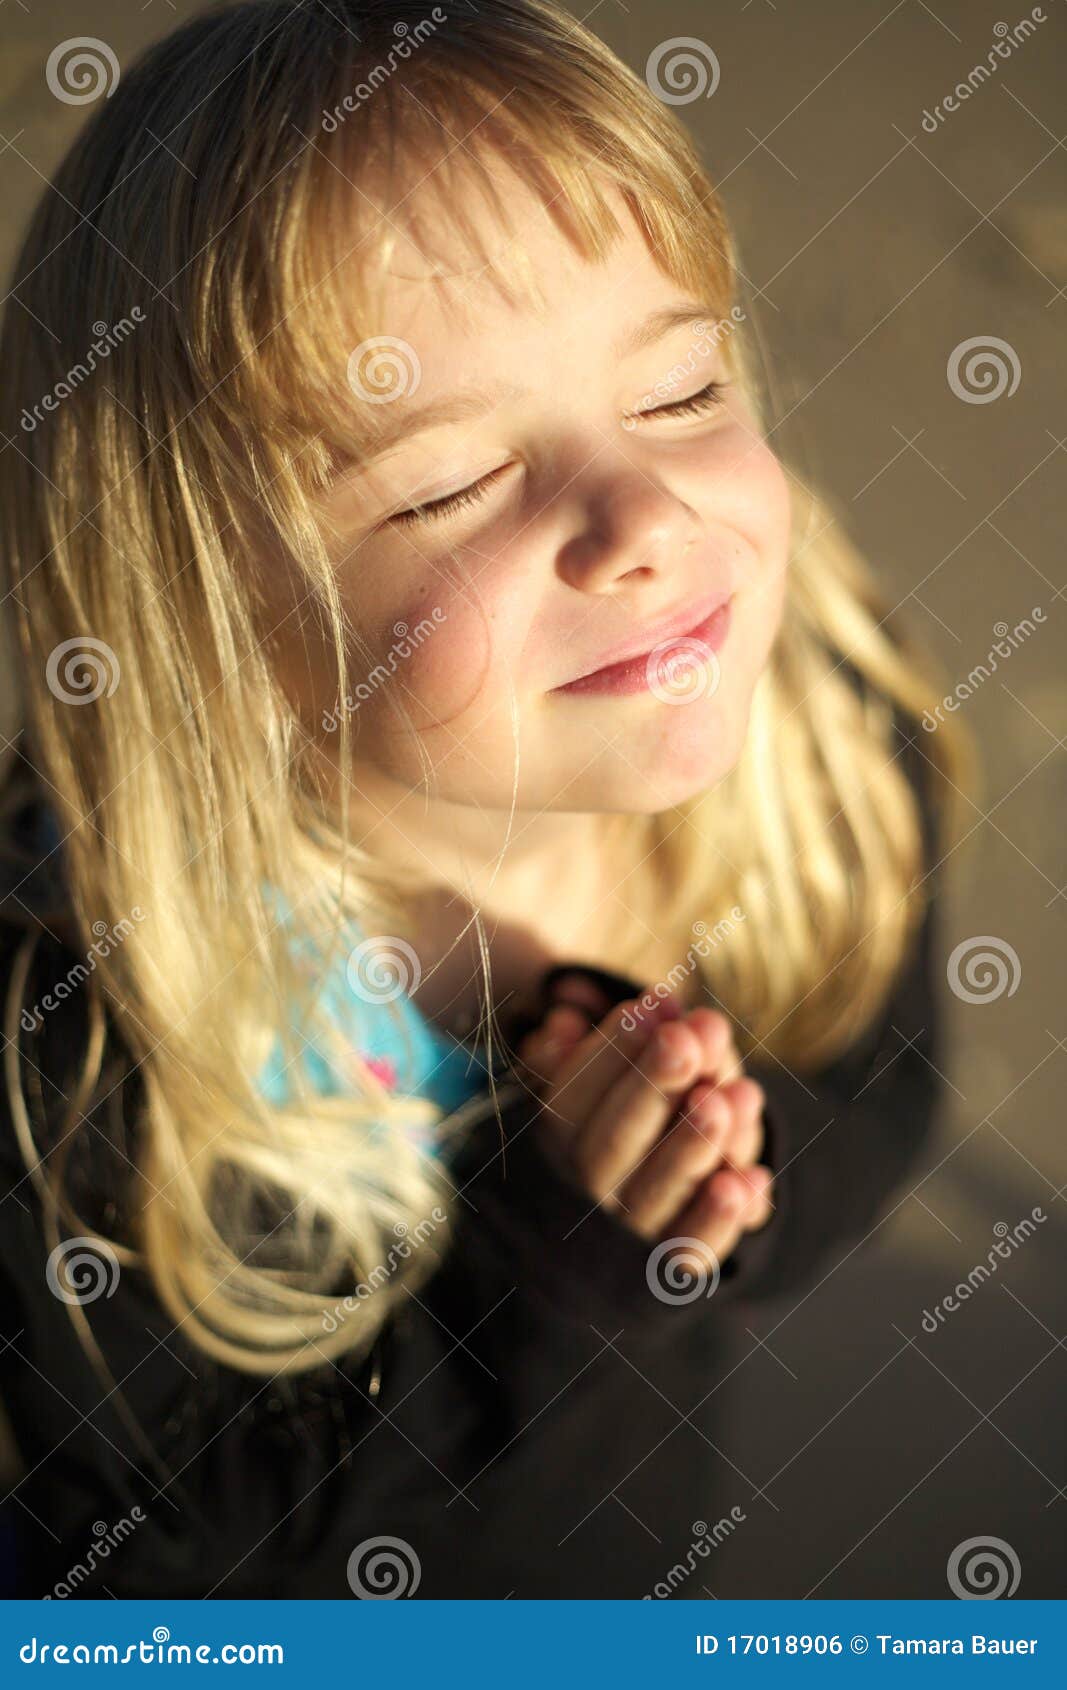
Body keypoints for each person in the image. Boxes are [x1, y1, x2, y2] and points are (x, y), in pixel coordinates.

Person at [0, 0, 971, 1598]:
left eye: (678, 395)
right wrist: (541, 1266)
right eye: (450, 483)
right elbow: (164, 1556)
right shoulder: (91, 1047)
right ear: (215, 624)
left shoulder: (824, 732)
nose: (644, 514)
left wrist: (707, 1189)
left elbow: (881, 1071)